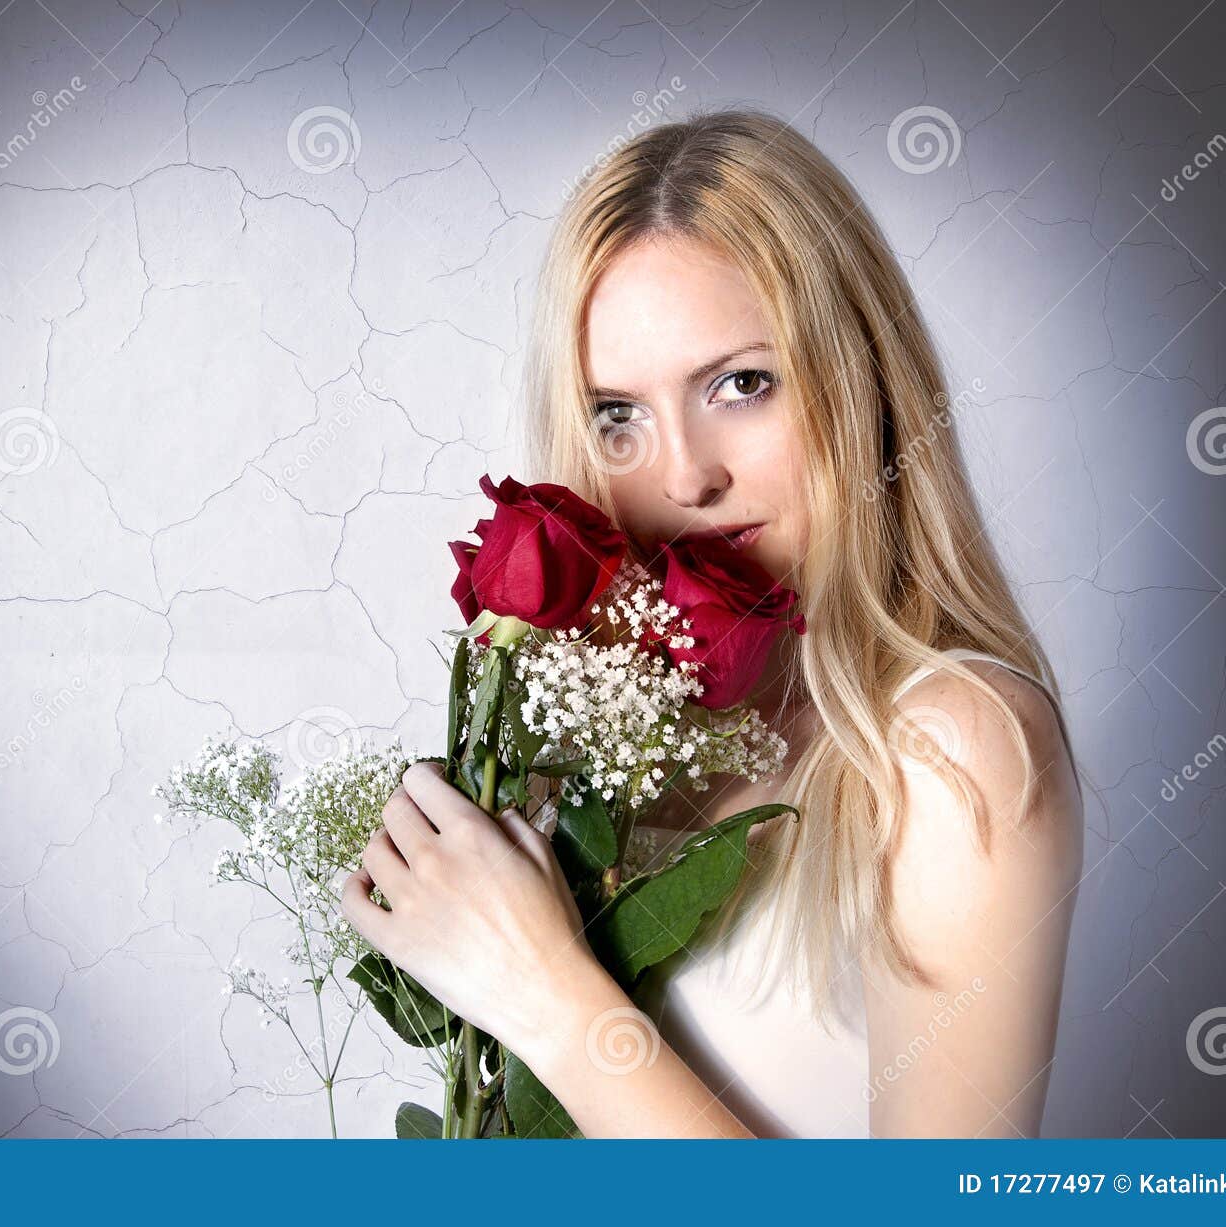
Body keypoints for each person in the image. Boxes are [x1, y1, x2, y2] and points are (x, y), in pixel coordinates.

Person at [341, 109, 1084, 1139]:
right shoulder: (598, 750)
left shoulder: (948, 745)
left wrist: (550, 995)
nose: (686, 475)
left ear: (860, 381)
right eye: (619, 415)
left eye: (741, 384)